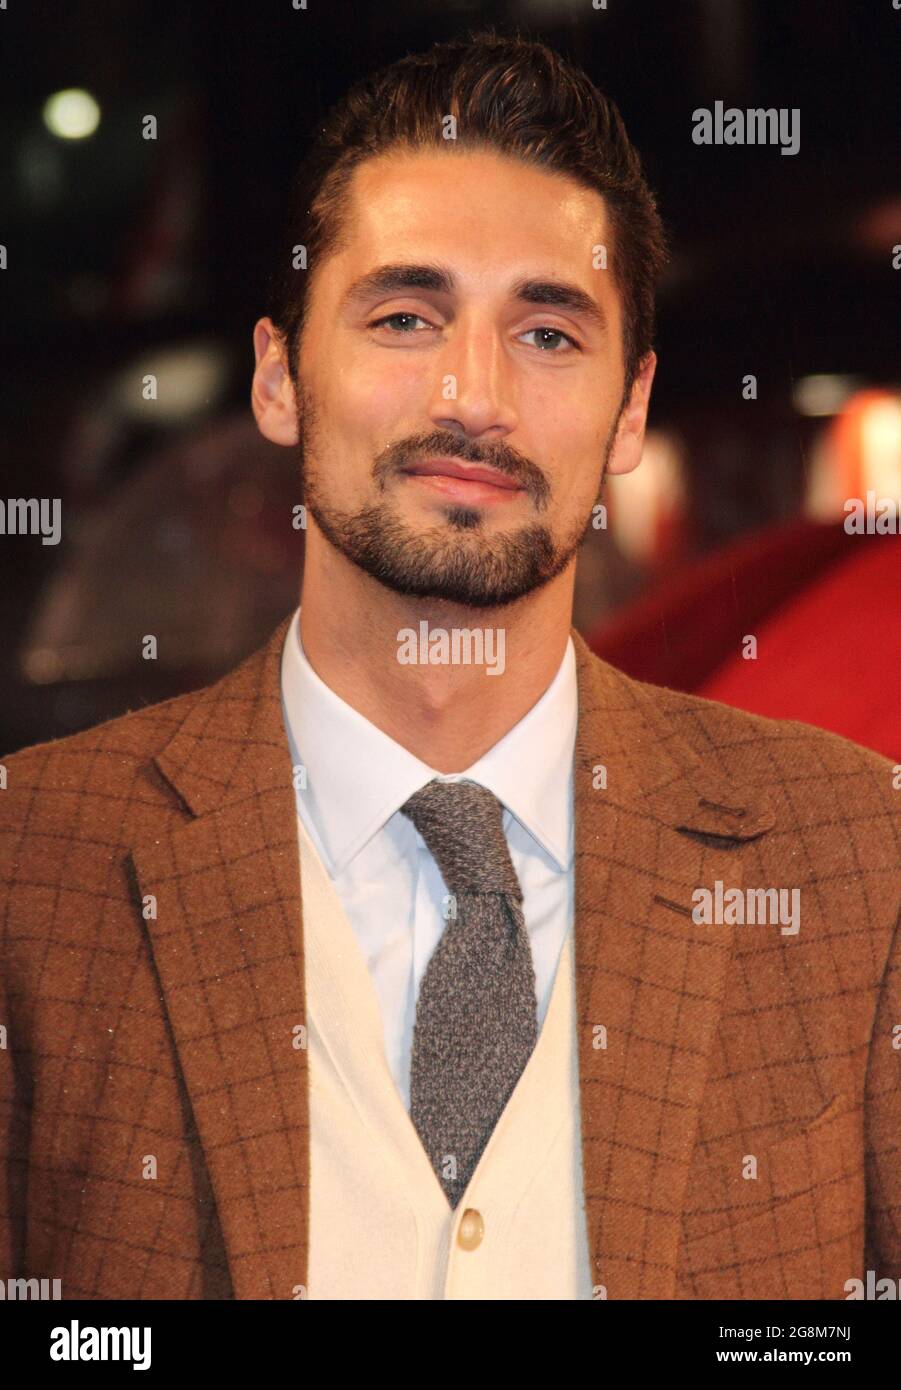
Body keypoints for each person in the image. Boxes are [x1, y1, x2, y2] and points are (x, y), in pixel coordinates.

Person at [1, 29, 898, 1302]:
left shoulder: (858, 860)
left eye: (547, 333)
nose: (473, 393)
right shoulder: (30, 868)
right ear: (278, 376)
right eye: (407, 314)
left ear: (630, 409)